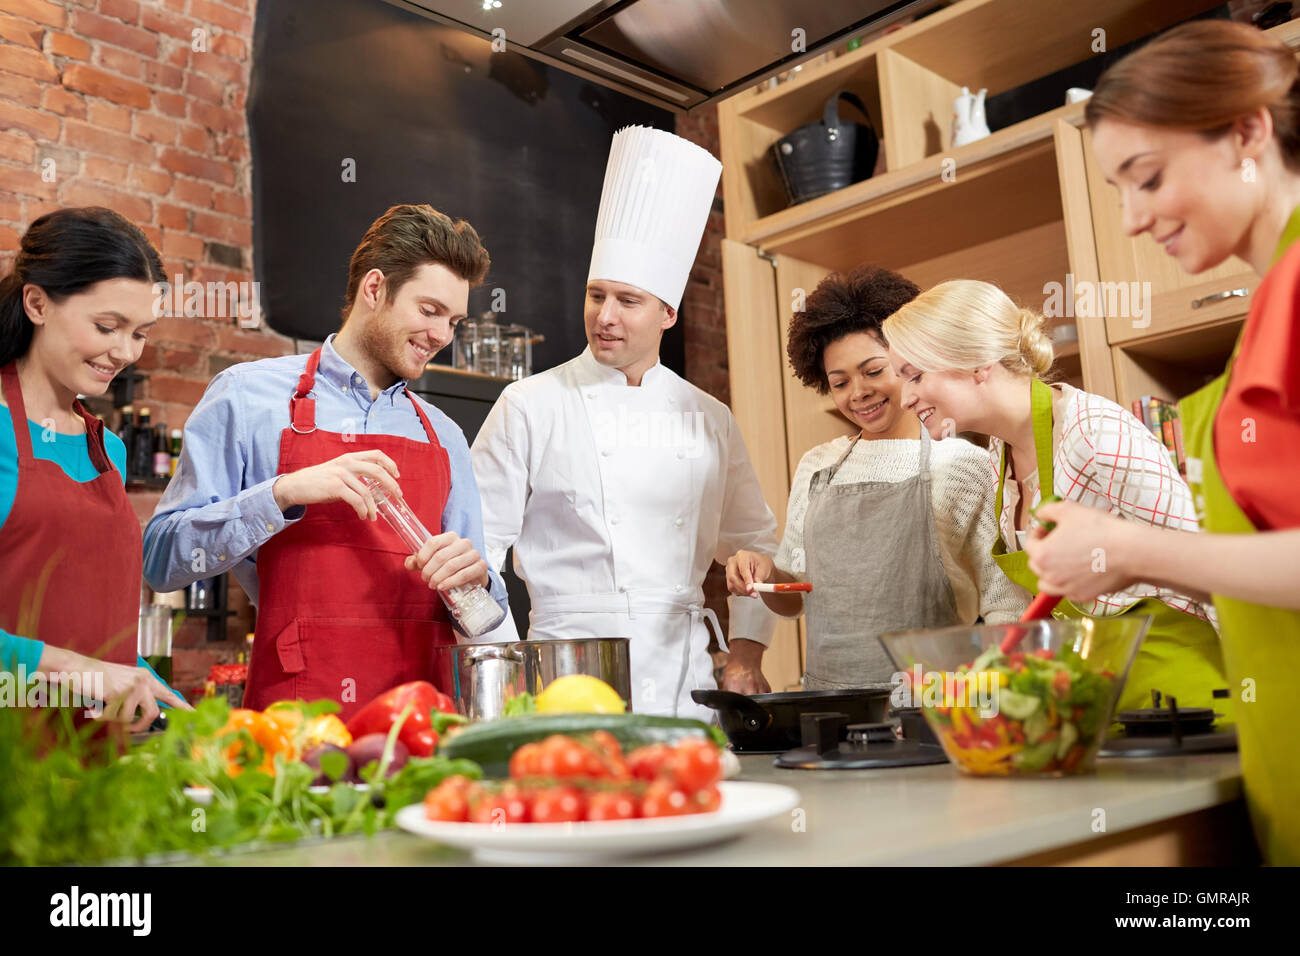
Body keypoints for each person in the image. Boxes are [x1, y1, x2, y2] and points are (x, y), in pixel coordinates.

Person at [1023, 20, 1300, 865]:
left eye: (1146, 178)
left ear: (1249, 130)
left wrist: (1129, 547)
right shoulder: (1269, 305)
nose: (1134, 220)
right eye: (1117, 192)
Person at [143, 204, 507, 718]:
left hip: (421, 722)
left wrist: (478, 581)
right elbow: (160, 562)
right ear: (375, 289)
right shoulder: (247, 397)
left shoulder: (444, 435)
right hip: (296, 722)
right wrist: (281, 494)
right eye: (429, 311)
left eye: (453, 320)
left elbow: (484, 619)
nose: (443, 336)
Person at [471, 126, 779, 720]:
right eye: (595, 295)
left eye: (627, 301)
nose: (604, 317)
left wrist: (744, 658)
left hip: (684, 681)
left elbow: (753, 545)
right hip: (564, 676)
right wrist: (502, 674)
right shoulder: (530, 404)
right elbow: (477, 552)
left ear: (668, 312)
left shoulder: (709, 419)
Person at [884, 278, 1226, 714]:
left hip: (1187, 698)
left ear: (976, 363)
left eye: (914, 375)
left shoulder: (1093, 430)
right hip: (1098, 699)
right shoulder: (997, 454)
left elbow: (1202, 562)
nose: (906, 398)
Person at [726, 266, 1028, 689]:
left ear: (909, 361)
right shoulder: (817, 466)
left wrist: (994, 699)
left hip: (932, 708)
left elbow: (1007, 605)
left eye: (872, 371)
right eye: (840, 382)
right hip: (827, 709)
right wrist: (764, 574)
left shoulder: (961, 464)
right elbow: (793, 595)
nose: (858, 393)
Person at [0, 207, 189, 731]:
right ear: (37, 303)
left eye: (141, 334)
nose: (125, 352)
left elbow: (96, 634)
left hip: (93, 771)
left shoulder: (107, 447)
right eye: (108, 326)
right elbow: (82, 663)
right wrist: (81, 672)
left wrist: (154, 690)